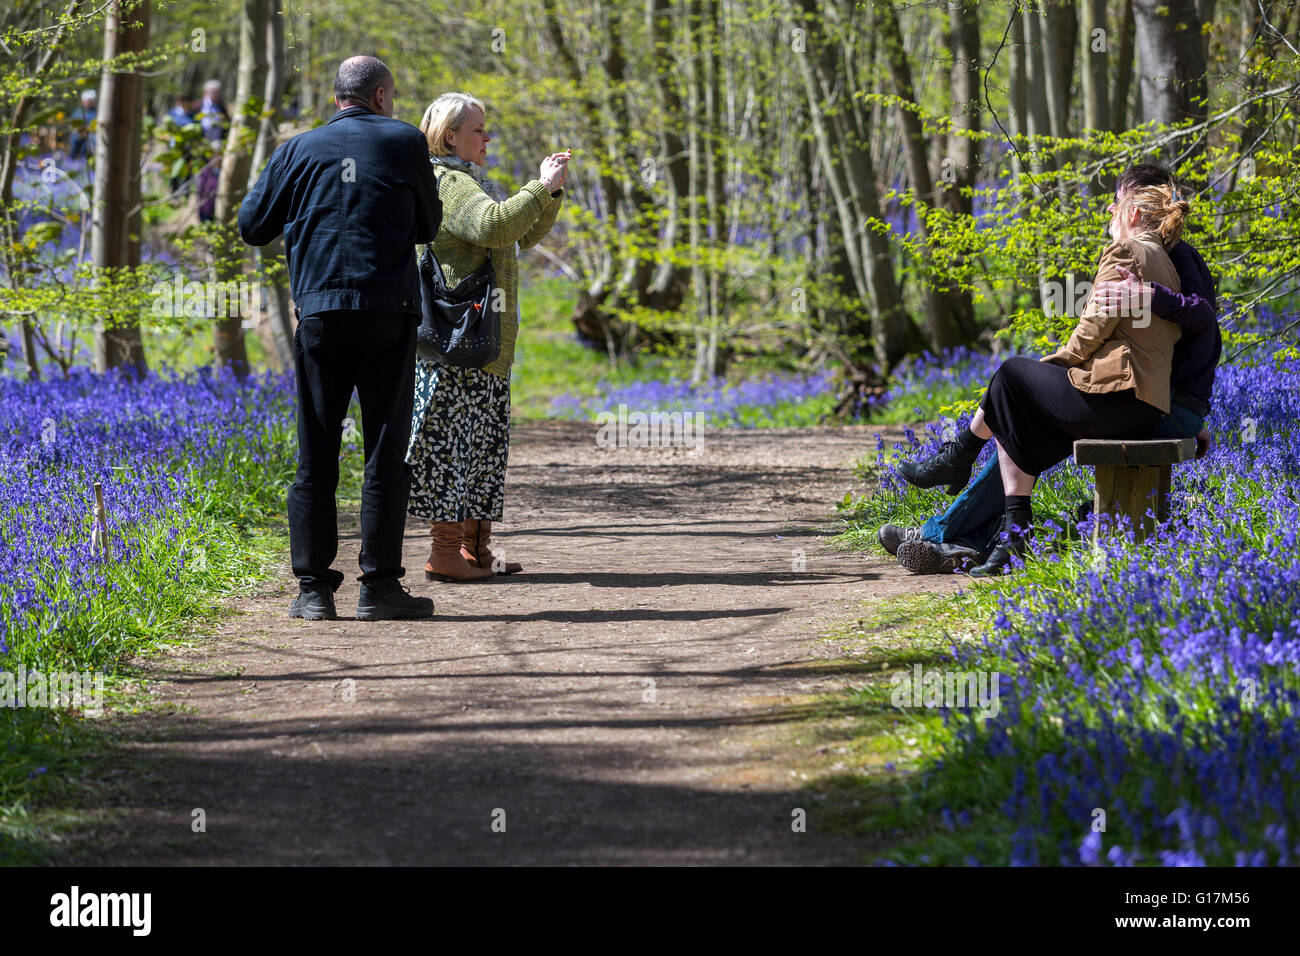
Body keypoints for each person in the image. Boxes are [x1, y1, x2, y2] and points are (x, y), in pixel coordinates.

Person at [881, 165, 1220, 574]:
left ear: (1135, 208)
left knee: (1017, 400)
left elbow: (1201, 319)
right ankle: (962, 531)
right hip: (1163, 399)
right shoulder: (1163, 254)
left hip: (1160, 403)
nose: (1109, 209)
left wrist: (1184, 408)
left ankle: (959, 517)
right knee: (1023, 420)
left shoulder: (1169, 254)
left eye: (1117, 201)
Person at [239, 55, 443, 621]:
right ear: (381, 97)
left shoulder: (297, 150)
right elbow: (429, 226)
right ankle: (378, 587)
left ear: (337, 100)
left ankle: (313, 591)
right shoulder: (406, 142)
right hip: (388, 313)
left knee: (317, 451)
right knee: (383, 450)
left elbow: (252, 226)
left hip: (322, 315)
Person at [406, 92, 567, 582]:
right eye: (479, 129)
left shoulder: (469, 180)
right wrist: (539, 186)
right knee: (456, 449)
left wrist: (551, 194)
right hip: (458, 345)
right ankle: (445, 553)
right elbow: (495, 226)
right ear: (450, 135)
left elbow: (522, 235)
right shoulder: (447, 183)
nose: (487, 137)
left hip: (482, 345)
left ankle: (477, 549)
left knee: (482, 447)